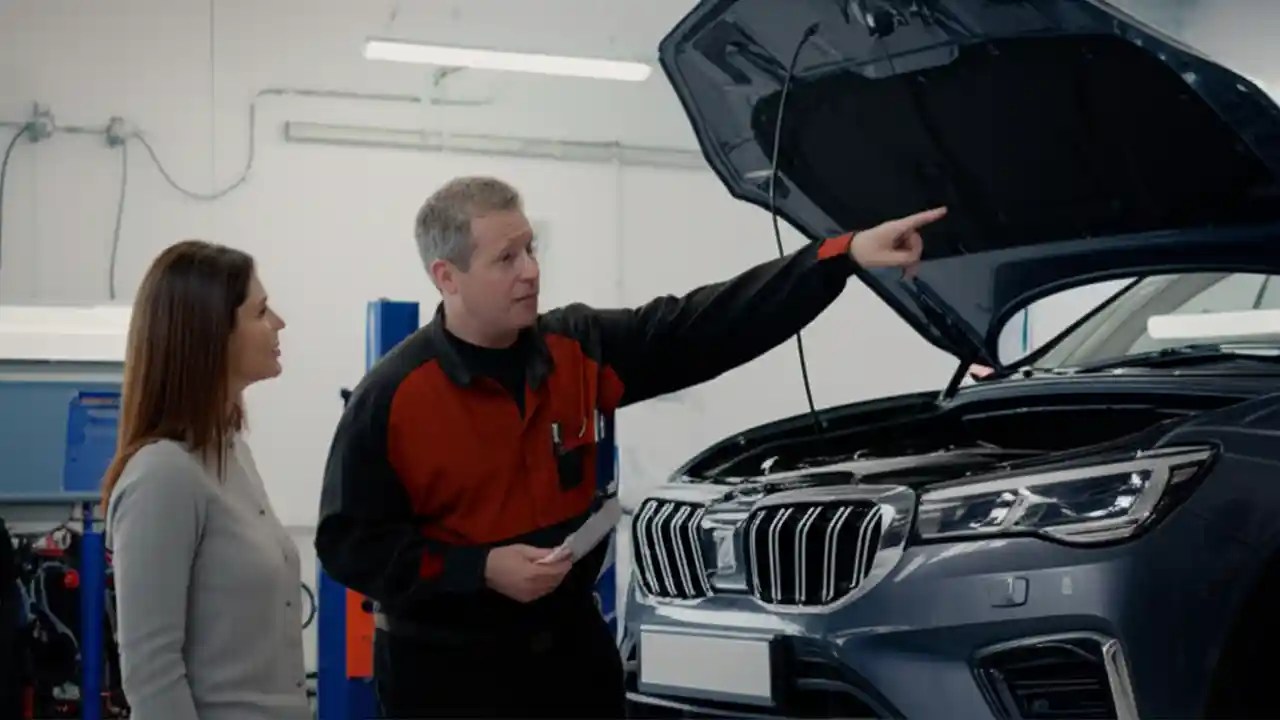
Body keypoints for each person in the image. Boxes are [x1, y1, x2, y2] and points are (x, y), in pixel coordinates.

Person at [315, 176, 946, 719]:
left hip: (570, 655)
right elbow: (349, 545)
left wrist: (841, 257)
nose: (532, 270)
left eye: (531, 248)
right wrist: (479, 569)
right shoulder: (393, 397)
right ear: (446, 277)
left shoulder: (579, 348)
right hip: (447, 674)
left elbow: (709, 324)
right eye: (506, 258)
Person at [101, 240, 308, 720]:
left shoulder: (230, 453)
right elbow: (151, 675)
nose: (278, 323)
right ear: (212, 334)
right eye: (260, 312)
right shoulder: (162, 476)